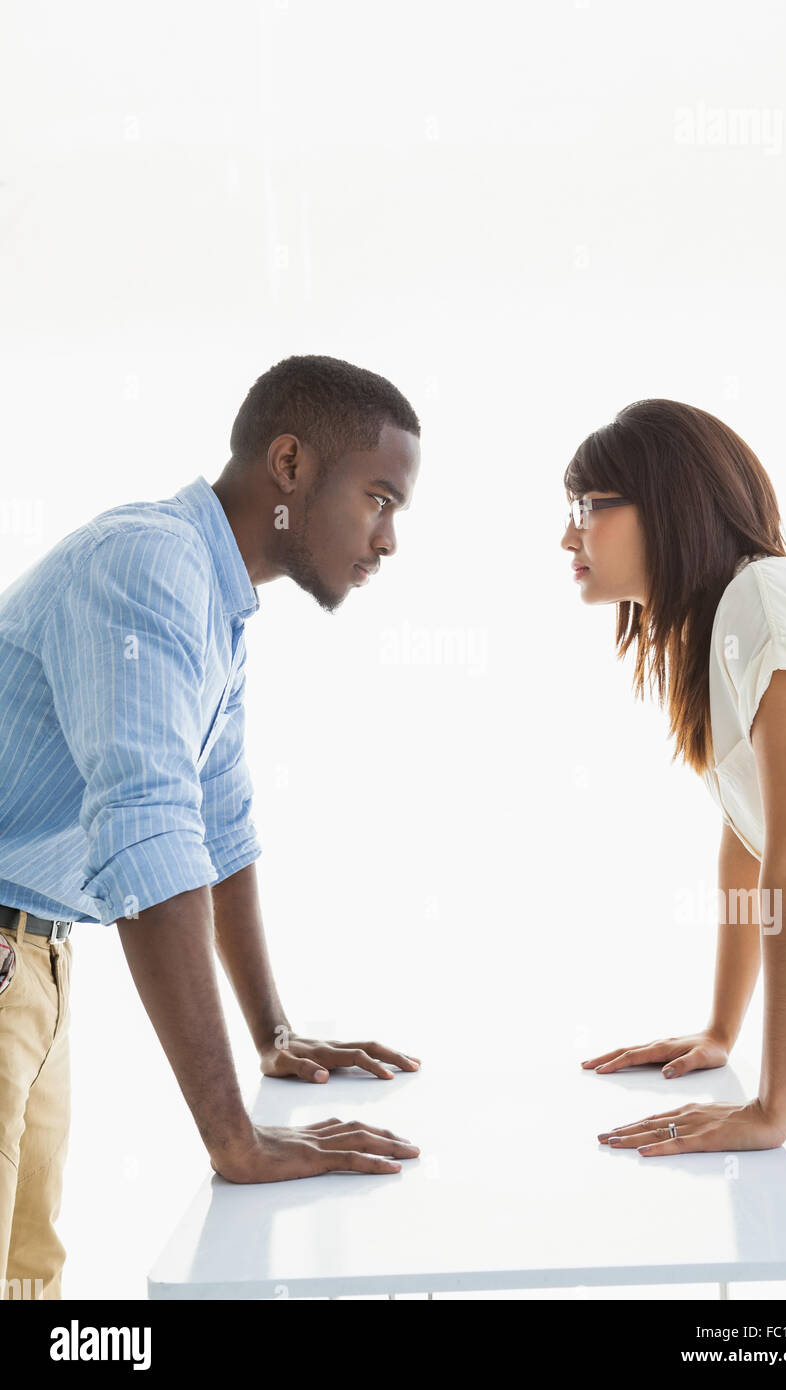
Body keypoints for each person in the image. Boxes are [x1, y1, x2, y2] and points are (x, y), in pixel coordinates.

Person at [0, 354, 423, 1301]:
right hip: (8, 956)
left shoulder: (217, 607)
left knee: (29, 1284)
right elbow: (149, 845)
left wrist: (273, 1032)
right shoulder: (149, 567)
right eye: (380, 498)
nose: (388, 538)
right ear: (289, 464)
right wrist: (233, 1136)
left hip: (38, 962)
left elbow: (218, 830)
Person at [562, 399, 786, 1172]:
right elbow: (751, 838)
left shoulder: (763, 601)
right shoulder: (721, 630)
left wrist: (771, 1112)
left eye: (589, 507)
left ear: (668, 505)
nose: (569, 534)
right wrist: (720, 1029)